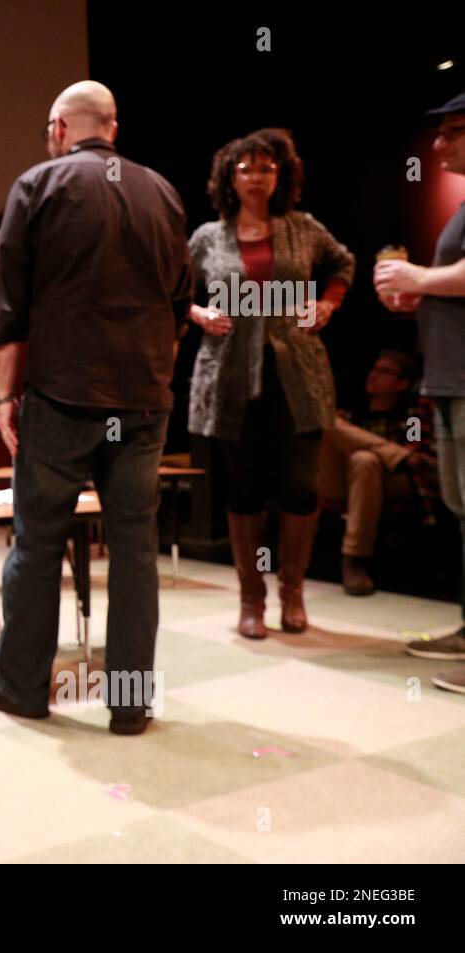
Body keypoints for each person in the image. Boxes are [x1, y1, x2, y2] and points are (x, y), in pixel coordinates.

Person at [0, 80, 192, 735]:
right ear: (113, 129)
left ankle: (23, 687)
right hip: (145, 398)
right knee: (133, 549)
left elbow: (7, 312)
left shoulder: (36, 185)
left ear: (59, 127)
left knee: (38, 544)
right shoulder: (165, 193)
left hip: (63, 397)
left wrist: (2, 397)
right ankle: (128, 702)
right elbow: (179, 307)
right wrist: (156, 382)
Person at [187, 127, 354, 639]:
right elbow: (170, 291)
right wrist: (198, 313)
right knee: (244, 488)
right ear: (229, 178)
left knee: (301, 485)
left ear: (281, 174)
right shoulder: (208, 238)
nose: (255, 177)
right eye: (245, 168)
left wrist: (326, 304)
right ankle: (251, 600)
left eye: (265, 167)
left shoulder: (302, 228)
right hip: (231, 375)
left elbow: (343, 263)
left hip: (297, 372)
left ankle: (294, 594)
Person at [375, 90, 465, 695]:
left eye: (453, 131)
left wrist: (418, 278)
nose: (437, 143)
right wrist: (421, 294)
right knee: (461, 507)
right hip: (452, 379)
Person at [318, 350, 437, 595]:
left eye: (384, 372)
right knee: (326, 419)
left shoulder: (410, 414)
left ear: (402, 383)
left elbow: (416, 455)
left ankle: (354, 559)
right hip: (346, 481)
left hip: (398, 480)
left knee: (365, 460)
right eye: (374, 369)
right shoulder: (353, 411)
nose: (374, 375)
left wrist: (378, 454)